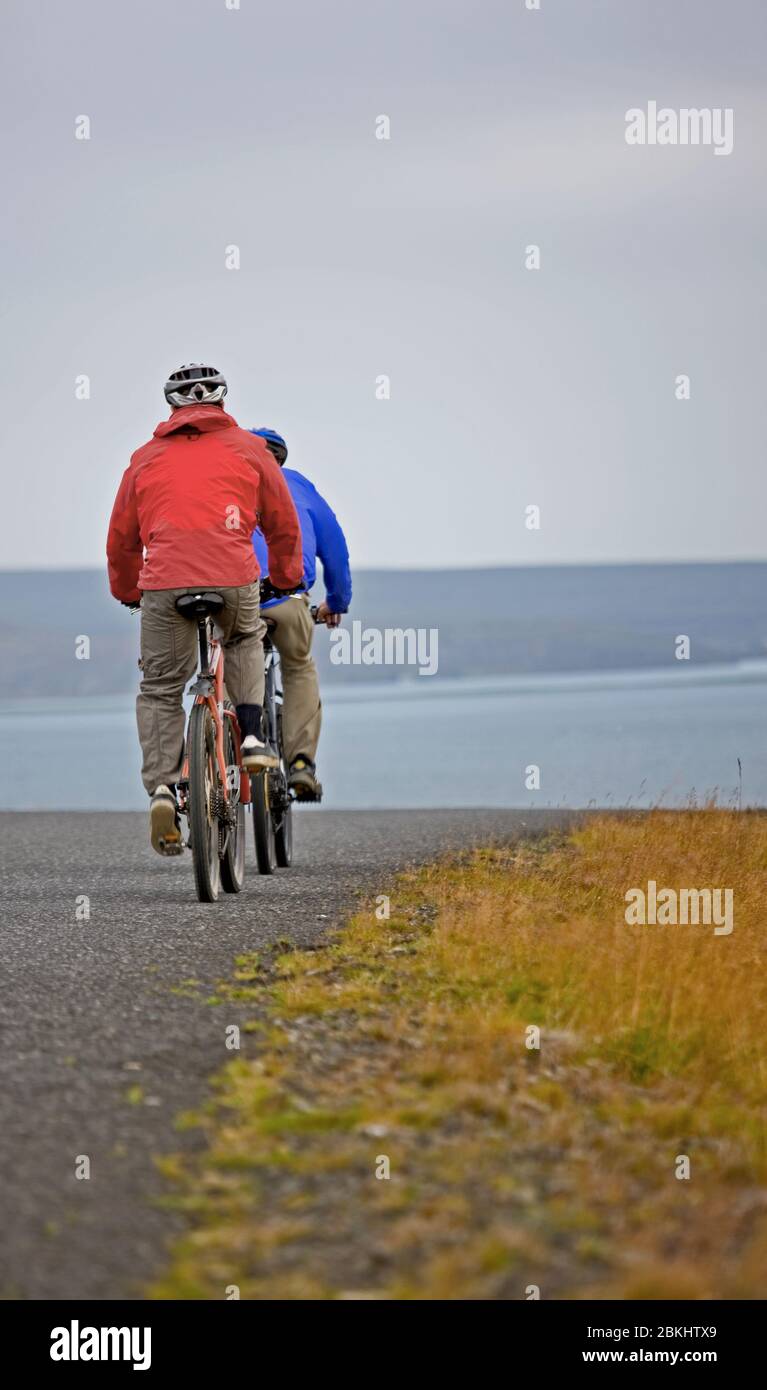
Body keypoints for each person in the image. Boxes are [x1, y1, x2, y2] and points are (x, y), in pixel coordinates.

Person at [106, 365, 303, 855]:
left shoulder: (143, 458)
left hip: (165, 583)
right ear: (220, 402)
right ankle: (254, 739)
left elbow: (121, 540)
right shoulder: (251, 449)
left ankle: (162, 789)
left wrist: (128, 591)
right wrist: (285, 577)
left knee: (159, 687)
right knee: (241, 639)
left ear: (172, 406)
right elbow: (283, 523)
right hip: (232, 576)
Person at [250, 427, 352, 801]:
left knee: (232, 662)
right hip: (288, 599)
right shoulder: (298, 485)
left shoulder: (224, 487)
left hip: (234, 599)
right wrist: (337, 602)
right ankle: (300, 764)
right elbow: (335, 548)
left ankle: (237, 743)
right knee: (298, 666)